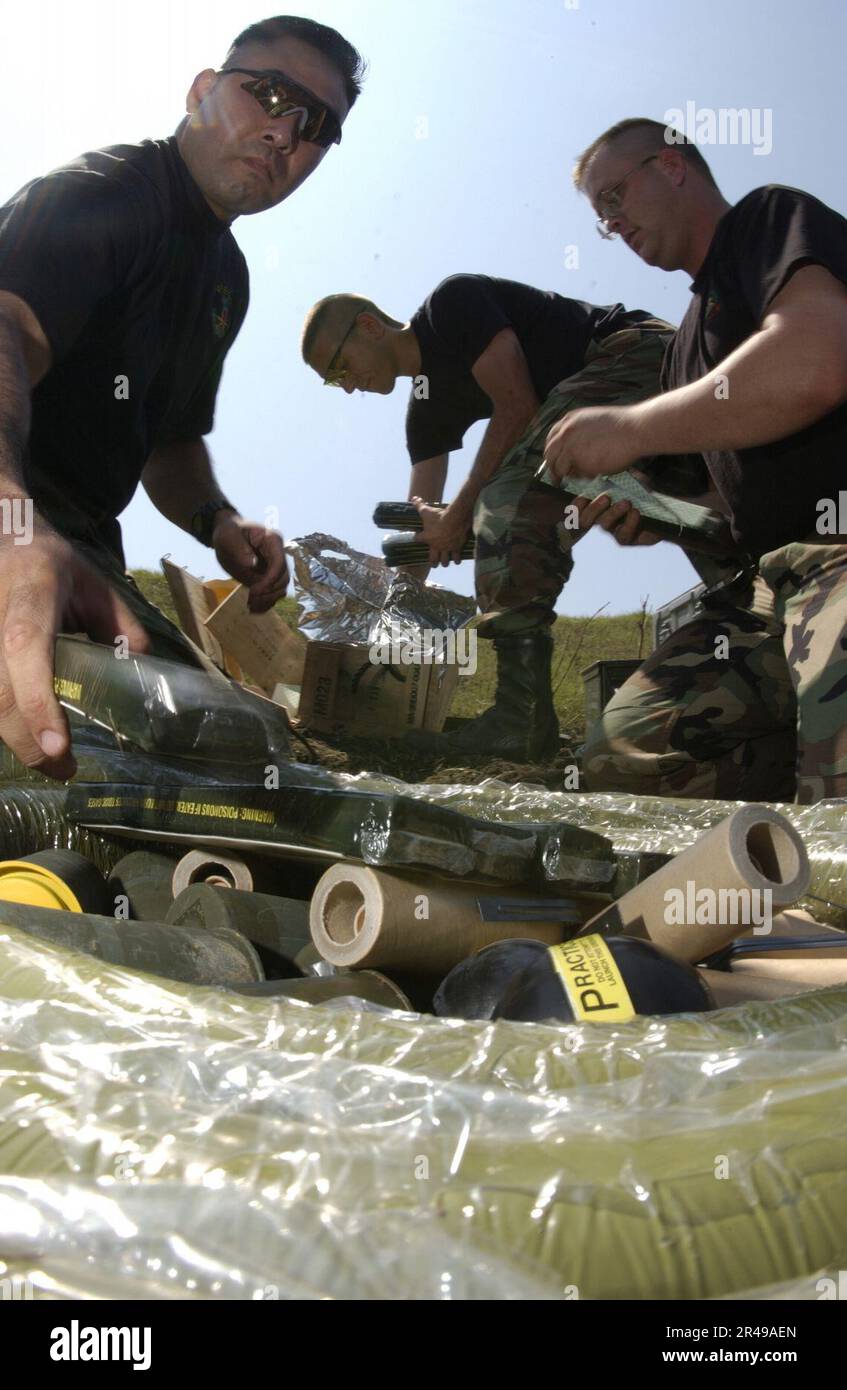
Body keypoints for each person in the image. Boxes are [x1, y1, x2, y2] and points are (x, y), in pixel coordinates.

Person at [0, 14, 364, 781]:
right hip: (18, 527)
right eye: (269, 94)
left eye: (316, 127)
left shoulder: (228, 280)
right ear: (202, 91)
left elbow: (170, 443)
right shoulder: (102, 194)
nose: (284, 133)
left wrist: (219, 522)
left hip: (84, 554)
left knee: (229, 752)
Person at [543, 117, 847, 804]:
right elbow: (730, 514)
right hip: (773, 586)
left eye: (614, 198)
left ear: (671, 166)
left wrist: (630, 426)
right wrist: (657, 519)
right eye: (600, 217)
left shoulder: (766, 220)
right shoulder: (682, 353)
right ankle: (791, 812)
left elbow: (816, 361)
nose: (612, 223)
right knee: (621, 752)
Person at [301, 277, 708, 762]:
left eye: (339, 367)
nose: (346, 386)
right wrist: (382, 639)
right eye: (332, 382)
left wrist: (459, 517)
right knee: (695, 520)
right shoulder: (425, 411)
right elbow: (419, 536)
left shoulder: (449, 307)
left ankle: (521, 718)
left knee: (507, 499)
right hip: (605, 426)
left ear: (368, 327)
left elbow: (517, 407)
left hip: (635, 354)